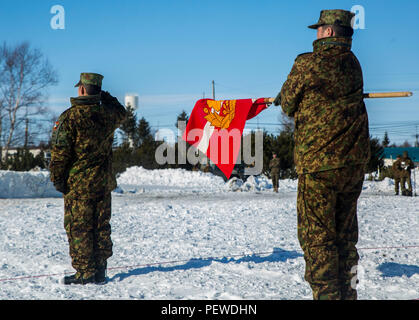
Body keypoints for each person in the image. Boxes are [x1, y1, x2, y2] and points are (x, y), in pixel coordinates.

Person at [274, 9, 370, 300]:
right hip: (353, 163)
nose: (316, 33)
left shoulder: (307, 63)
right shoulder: (354, 64)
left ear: (328, 32)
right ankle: (348, 295)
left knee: (319, 241)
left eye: (319, 29)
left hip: (319, 164)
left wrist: (288, 94)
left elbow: (287, 104)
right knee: (345, 240)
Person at [49, 73, 127, 285]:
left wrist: (58, 180)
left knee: (79, 227)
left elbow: (59, 154)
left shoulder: (70, 117)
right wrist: (104, 95)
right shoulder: (108, 114)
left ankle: (85, 272)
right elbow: (123, 112)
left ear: (82, 89)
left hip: (79, 186)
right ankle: (100, 270)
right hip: (103, 183)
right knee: (101, 225)